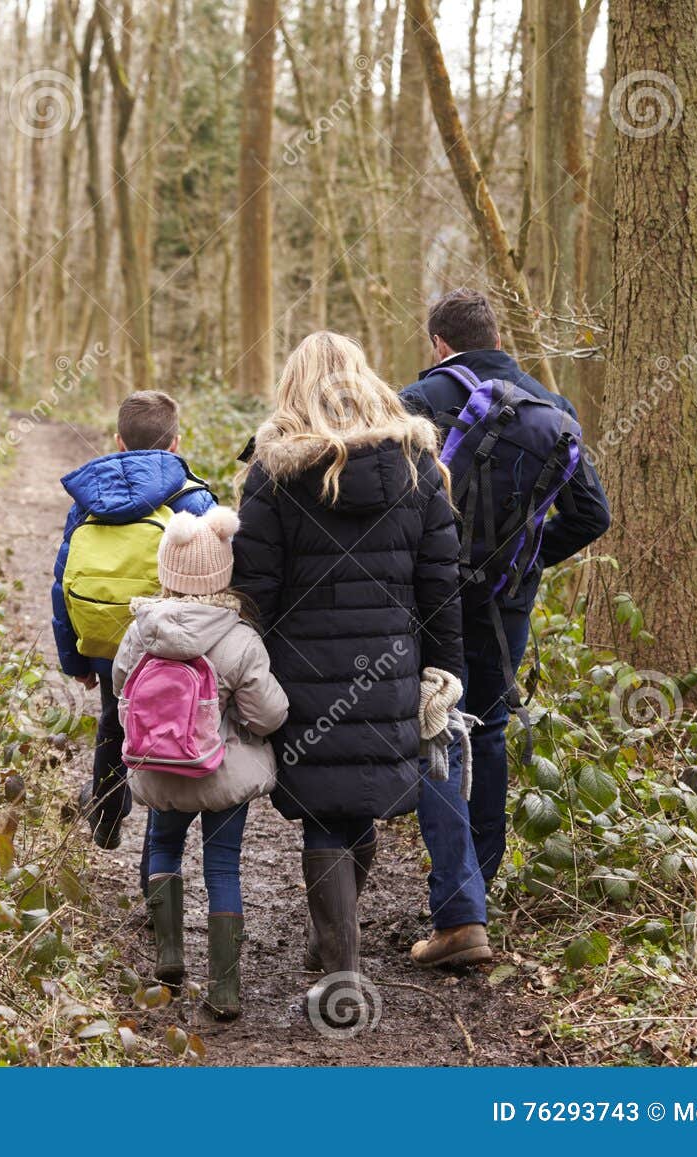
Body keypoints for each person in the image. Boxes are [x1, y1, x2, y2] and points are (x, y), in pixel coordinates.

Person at [231, 331, 472, 1017]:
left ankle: (340, 962)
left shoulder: (274, 471)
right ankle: (334, 936)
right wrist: (444, 670)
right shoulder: (419, 464)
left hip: (302, 669)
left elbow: (255, 584)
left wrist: (243, 667)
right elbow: (441, 583)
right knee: (358, 800)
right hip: (388, 666)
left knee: (323, 813)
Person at [399, 288, 611, 964]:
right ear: (495, 335)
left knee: (435, 729)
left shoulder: (417, 400)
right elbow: (592, 515)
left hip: (428, 603)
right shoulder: (552, 409)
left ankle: (458, 906)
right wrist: (524, 560)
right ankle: (476, 891)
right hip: (504, 607)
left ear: (439, 343)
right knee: (486, 731)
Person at [113, 505, 289, 1019]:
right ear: (225, 572)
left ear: (165, 572)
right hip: (220, 774)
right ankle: (226, 989)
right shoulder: (240, 639)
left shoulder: (141, 631)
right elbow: (269, 714)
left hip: (160, 767)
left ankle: (169, 956)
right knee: (222, 865)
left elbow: (124, 689)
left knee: (164, 848)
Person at [52, 390, 215, 852]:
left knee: (112, 720)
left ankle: (105, 814)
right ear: (176, 443)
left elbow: (63, 579)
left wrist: (75, 658)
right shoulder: (193, 499)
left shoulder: (90, 497)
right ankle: (157, 854)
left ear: (119, 441)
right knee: (169, 731)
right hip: (172, 645)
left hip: (107, 640)